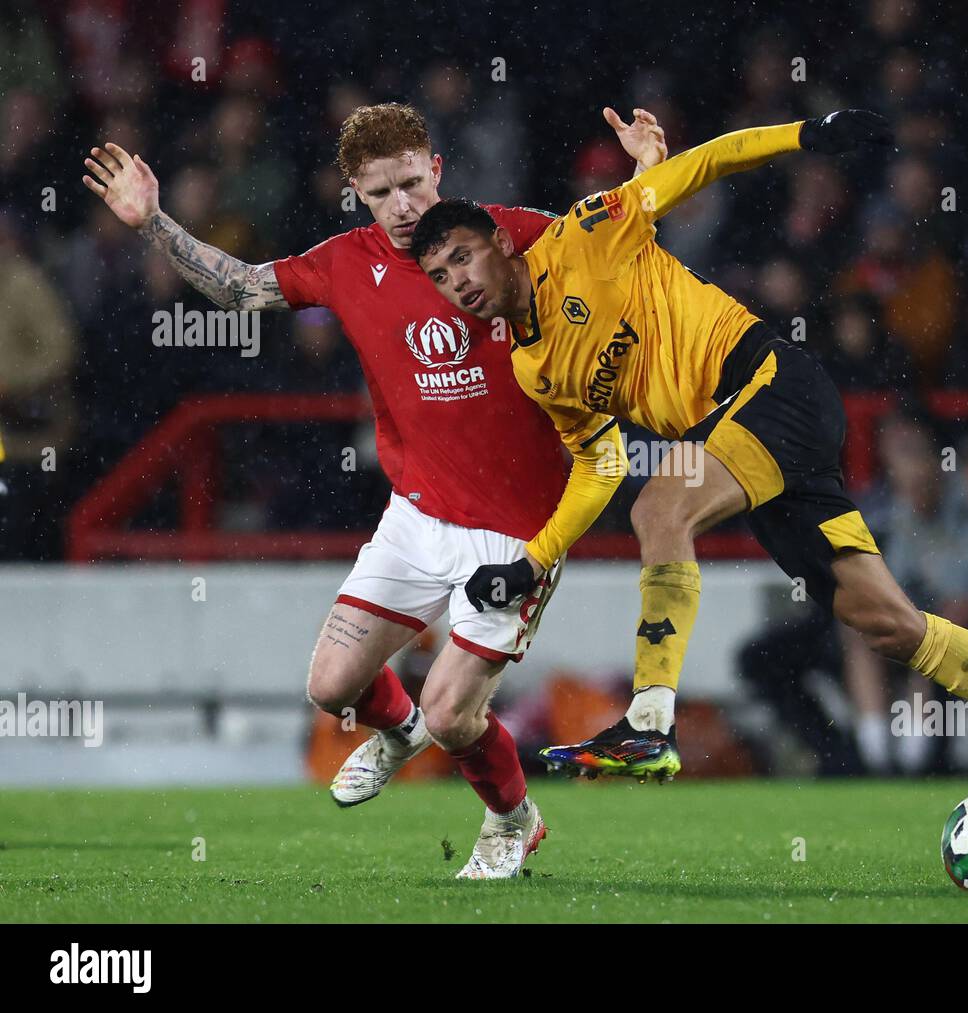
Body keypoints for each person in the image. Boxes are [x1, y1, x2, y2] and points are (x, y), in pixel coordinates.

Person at [412, 110, 968, 837]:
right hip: (739, 438)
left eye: (465, 258)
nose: (457, 281)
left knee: (660, 510)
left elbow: (702, 164)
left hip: (768, 384)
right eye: (440, 275)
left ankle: (649, 720)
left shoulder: (584, 236)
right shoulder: (532, 367)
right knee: (888, 624)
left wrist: (806, 134)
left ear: (502, 243)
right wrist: (532, 560)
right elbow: (600, 463)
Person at [81, 101, 667, 877]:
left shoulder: (506, 233)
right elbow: (244, 289)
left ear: (438, 171)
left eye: (413, 184)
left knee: (454, 710)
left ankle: (512, 818)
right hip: (417, 516)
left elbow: (614, 239)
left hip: (519, 528)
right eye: (381, 193)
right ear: (355, 191)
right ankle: (396, 733)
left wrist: (648, 168)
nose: (402, 207)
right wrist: (154, 222)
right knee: (331, 685)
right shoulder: (346, 262)